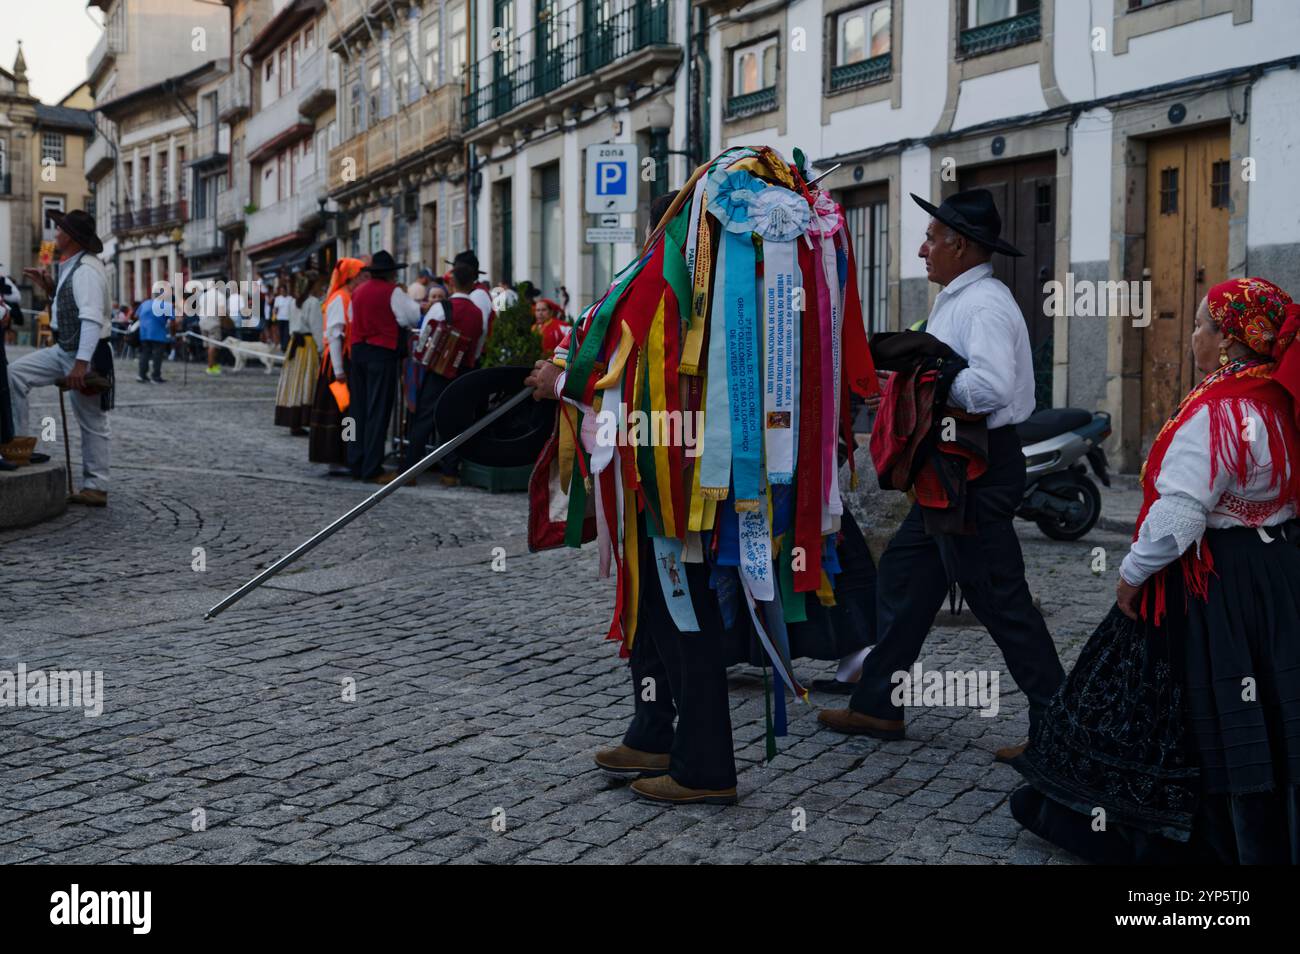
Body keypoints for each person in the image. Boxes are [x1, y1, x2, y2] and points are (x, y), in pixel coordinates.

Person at [1011, 277, 1300, 864]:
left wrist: (1133, 573)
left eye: (1200, 324)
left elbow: (1180, 515)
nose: (1192, 334)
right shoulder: (1278, 400)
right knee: (1273, 699)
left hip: (1220, 579)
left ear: (1226, 341)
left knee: (1206, 703)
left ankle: (1202, 837)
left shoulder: (1221, 411)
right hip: (1278, 570)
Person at [818, 188, 1064, 758]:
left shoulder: (984, 305)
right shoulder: (958, 299)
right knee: (904, 580)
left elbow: (989, 389)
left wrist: (932, 374)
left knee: (1000, 600)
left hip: (975, 468)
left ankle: (1058, 727)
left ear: (961, 245)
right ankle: (879, 703)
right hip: (947, 470)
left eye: (932, 238)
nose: (923, 249)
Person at [8, 210, 113, 506]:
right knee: (15, 373)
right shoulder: (71, 265)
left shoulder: (86, 270)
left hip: (85, 353)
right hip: (65, 348)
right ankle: (18, 445)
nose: (56, 232)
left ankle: (96, 485)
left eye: (61, 228)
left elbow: (91, 318)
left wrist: (81, 364)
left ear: (73, 237)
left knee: (92, 419)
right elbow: (72, 304)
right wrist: (51, 288)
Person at [404, 259, 488, 486]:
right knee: (456, 421)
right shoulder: (478, 312)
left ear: (451, 284)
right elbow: (479, 344)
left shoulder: (441, 308)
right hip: (465, 372)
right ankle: (450, 472)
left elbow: (423, 337)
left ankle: (410, 470)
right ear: (472, 284)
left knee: (424, 420)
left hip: (439, 371)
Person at [347, 251, 423, 483]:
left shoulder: (357, 292)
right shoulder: (394, 292)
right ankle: (372, 467)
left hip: (358, 352)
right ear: (391, 273)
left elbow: (352, 317)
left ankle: (355, 461)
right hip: (381, 353)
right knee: (378, 412)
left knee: (356, 411)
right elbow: (410, 317)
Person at [309, 258, 365, 472]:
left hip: (341, 362)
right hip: (336, 366)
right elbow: (334, 335)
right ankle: (337, 455)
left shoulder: (347, 297)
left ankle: (345, 452)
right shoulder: (340, 299)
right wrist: (340, 370)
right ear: (352, 276)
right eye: (361, 275)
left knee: (346, 413)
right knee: (341, 411)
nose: (363, 279)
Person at [275, 273, 321, 435]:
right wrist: (321, 349)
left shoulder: (293, 303)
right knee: (306, 381)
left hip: (294, 344)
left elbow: (290, 325)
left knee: (294, 382)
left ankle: (293, 421)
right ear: (311, 286)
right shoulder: (313, 303)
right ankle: (305, 419)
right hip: (307, 345)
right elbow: (316, 328)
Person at [135, 286, 174, 383]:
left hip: (144, 333)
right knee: (157, 355)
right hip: (158, 333)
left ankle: (142, 375)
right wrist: (173, 333)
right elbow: (173, 321)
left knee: (144, 354)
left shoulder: (145, 303)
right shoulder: (166, 305)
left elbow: (136, 316)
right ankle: (155, 376)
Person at [273, 281, 294, 352]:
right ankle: (282, 346)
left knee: (287, 333)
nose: (282, 292)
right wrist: (274, 315)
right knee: (281, 333)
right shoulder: (277, 299)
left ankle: (285, 347)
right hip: (280, 318)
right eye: (281, 291)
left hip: (288, 318)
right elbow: (275, 309)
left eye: (283, 290)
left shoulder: (290, 298)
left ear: (286, 290)